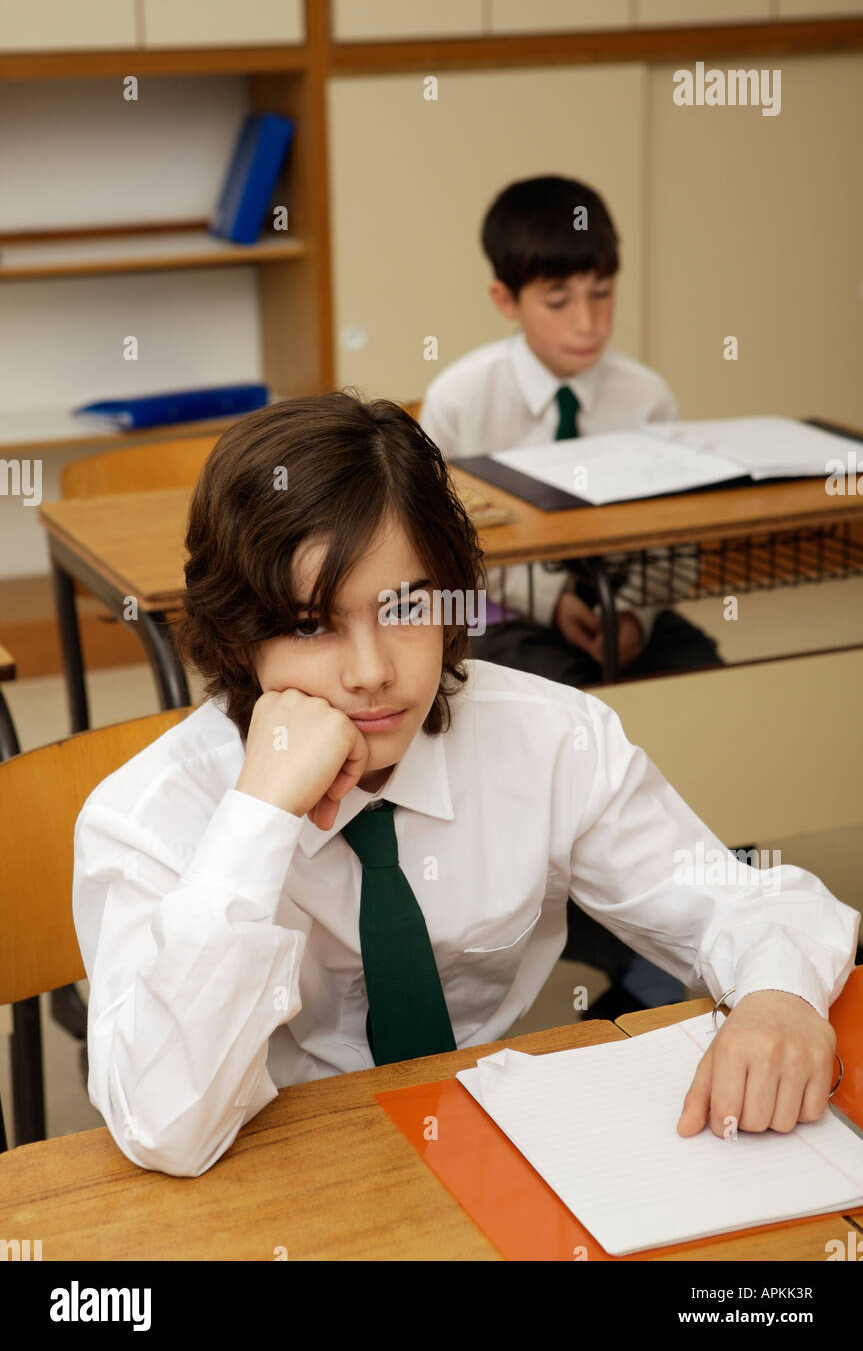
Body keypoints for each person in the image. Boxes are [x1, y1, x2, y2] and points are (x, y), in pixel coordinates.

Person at [72, 393, 857, 1178]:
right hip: (275, 1169)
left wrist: (777, 995)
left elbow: (747, 902)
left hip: (489, 1147)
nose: (372, 671)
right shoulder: (146, 816)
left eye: (406, 607)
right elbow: (164, 1126)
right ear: (238, 639)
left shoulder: (548, 739)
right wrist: (256, 821)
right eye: (310, 625)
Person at [420, 174, 723, 1013]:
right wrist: (557, 604)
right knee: (549, 708)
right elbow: (446, 550)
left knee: (703, 675)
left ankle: (715, 885)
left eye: (601, 295)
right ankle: (627, 955)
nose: (587, 322)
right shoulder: (460, 399)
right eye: (559, 300)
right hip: (505, 617)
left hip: (627, 607)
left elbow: (673, 538)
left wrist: (636, 614)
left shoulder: (643, 395)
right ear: (504, 299)